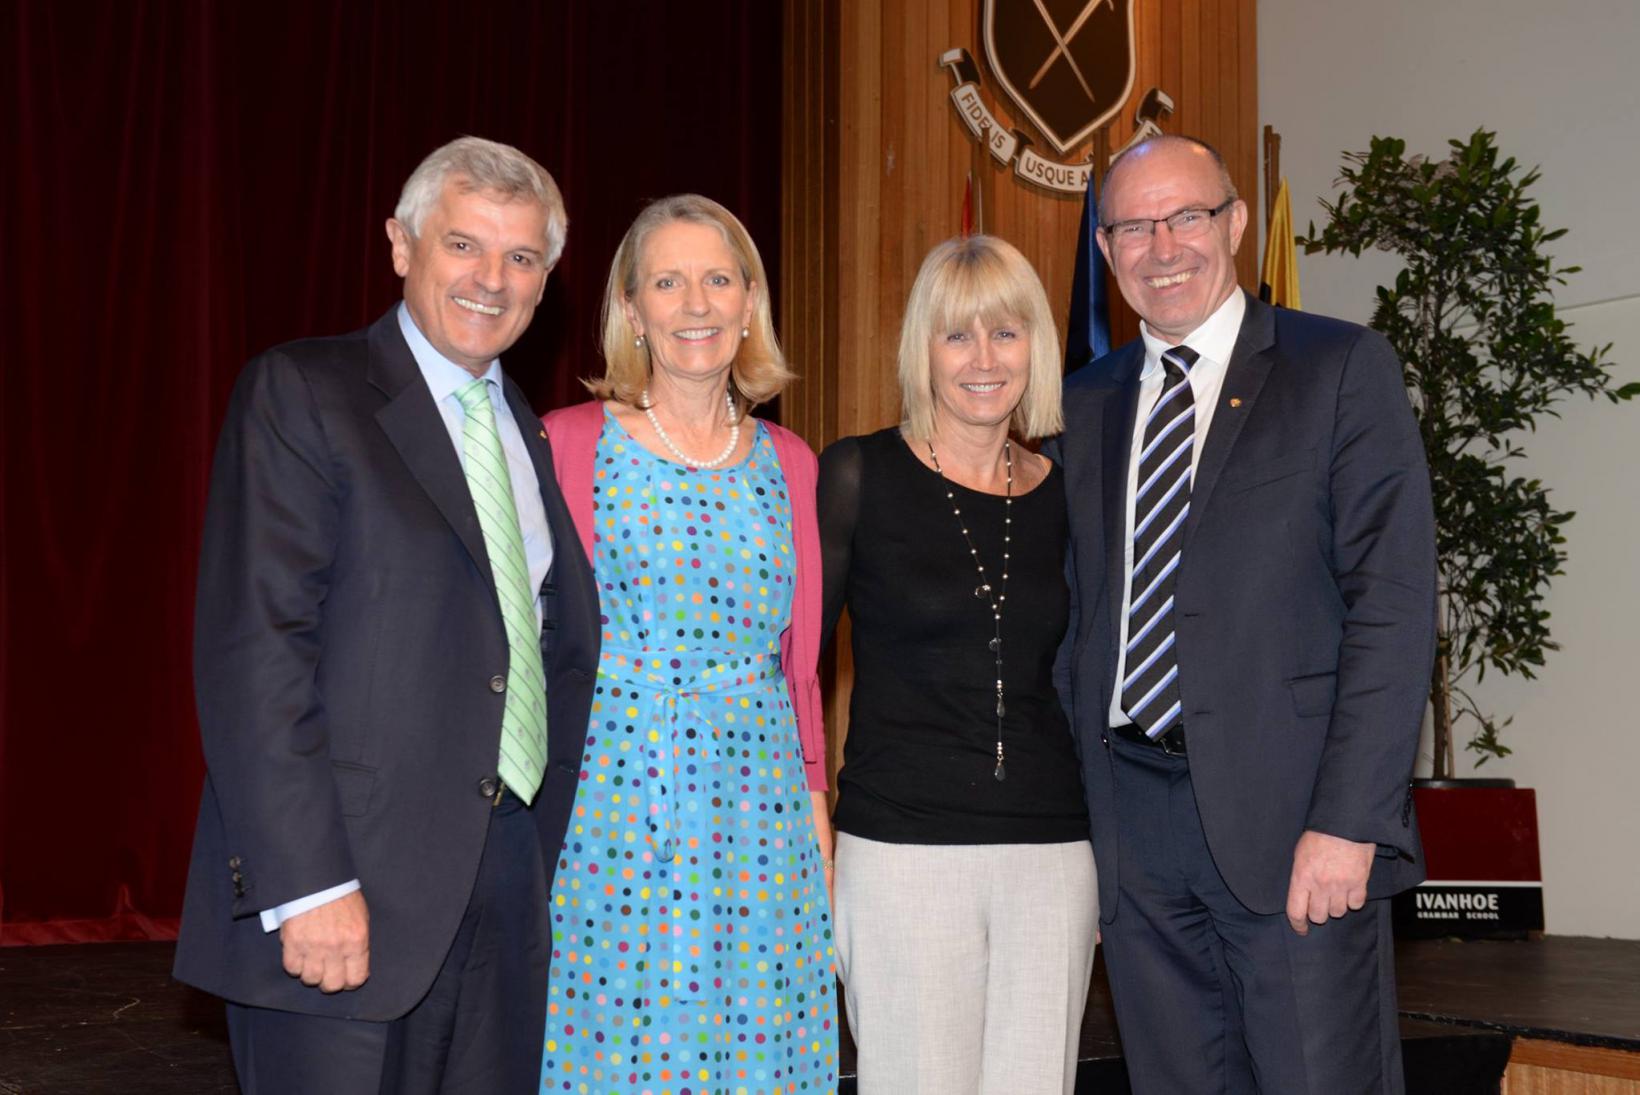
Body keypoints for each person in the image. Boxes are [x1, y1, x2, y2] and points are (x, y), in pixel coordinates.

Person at [173, 136, 600, 1094]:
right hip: (344, 894)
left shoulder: (523, 426)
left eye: (521, 257)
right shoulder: (304, 392)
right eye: (463, 245)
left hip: (503, 884)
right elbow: (256, 654)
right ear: (402, 246)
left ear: (545, 281)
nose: (491, 279)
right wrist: (308, 885)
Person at [1049, 135, 1437, 1094]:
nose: (1162, 246)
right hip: (1133, 837)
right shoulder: (1079, 405)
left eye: (1186, 216)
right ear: (1105, 249)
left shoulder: (1338, 366)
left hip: (1295, 827)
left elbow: (1391, 609)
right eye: (1133, 226)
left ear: (1235, 223)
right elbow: (1074, 624)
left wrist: (1350, 820)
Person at [538, 194, 838, 1092]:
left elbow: (801, 672)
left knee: (758, 1048)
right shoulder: (566, 444)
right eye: (667, 283)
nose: (696, 304)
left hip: (762, 816)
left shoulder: (792, 461)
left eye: (718, 280)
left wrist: (819, 831)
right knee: (614, 1047)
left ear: (749, 302)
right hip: (609, 809)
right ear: (632, 309)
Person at [819, 235, 1096, 1095]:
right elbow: (791, 674)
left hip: (1053, 856)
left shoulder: (1069, 491)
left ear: (1035, 347)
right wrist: (813, 840)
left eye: (1006, 332)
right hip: (901, 854)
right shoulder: (857, 474)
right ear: (923, 349)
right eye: (958, 335)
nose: (984, 359)